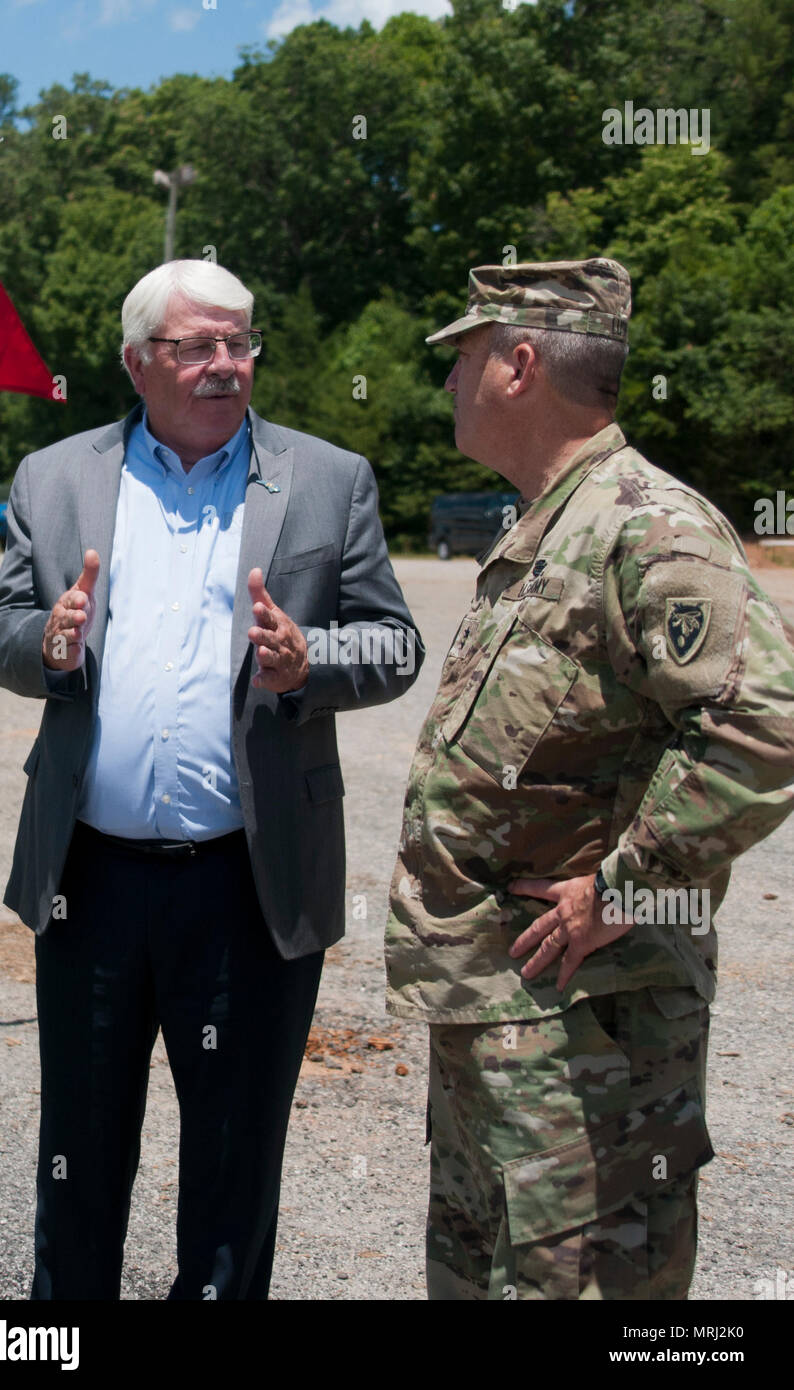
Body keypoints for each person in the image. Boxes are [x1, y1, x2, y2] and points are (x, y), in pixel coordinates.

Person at [0, 258, 423, 1301]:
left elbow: (394, 643)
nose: (226, 364)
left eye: (240, 342)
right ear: (138, 362)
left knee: (233, 1169)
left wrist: (312, 659)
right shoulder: (54, 478)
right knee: (78, 1154)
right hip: (89, 880)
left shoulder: (326, 478)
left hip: (249, 882)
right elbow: (0, 631)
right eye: (197, 346)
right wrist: (46, 643)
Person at [384, 257, 794, 1300]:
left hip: (592, 1030)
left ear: (520, 363)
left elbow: (760, 722)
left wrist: (624, 887)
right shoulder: (548, 523)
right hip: (503, 1008)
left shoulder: (646, 524)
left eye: (463, 356)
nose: (446, 383)